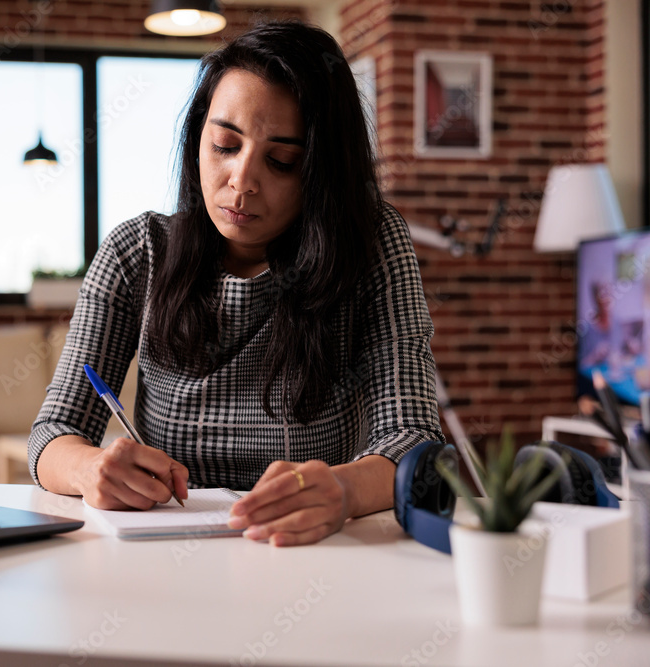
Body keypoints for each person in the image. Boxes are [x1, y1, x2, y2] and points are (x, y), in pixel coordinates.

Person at [27, 19, 443, 547]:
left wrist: (344, 489)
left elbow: (413, 438)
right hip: (166, 555)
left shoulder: (371, 244)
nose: (241, 180)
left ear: (321, 172)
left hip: (309, 552)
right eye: (225, 144)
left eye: (282, 161)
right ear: (198, 135)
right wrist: (91, 469)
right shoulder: (137, 252)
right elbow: (50, 436)